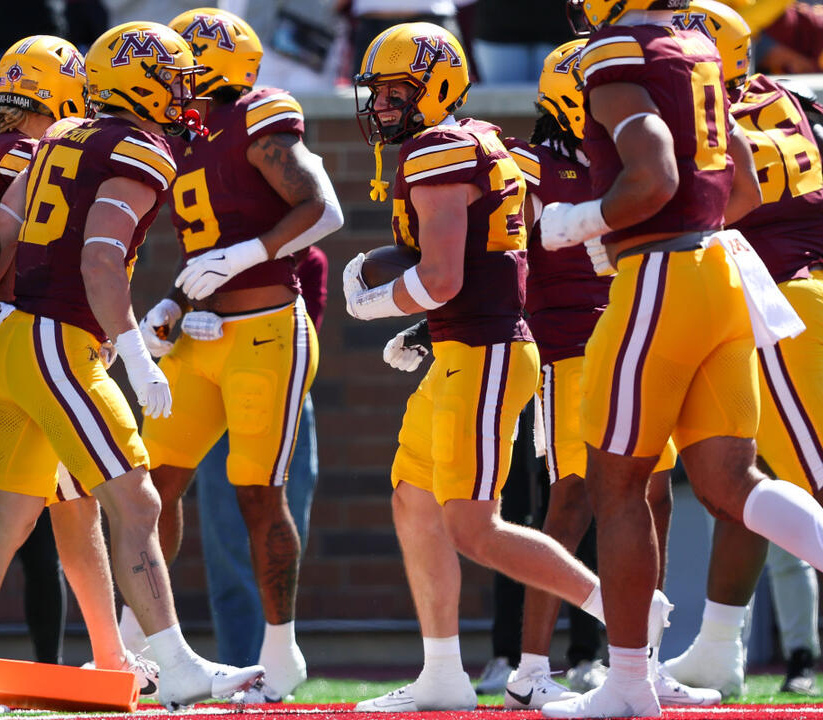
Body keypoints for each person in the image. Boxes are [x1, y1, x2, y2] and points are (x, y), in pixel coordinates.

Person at [0, 21, 263, 715]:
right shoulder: (138, 147)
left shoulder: (58, 138)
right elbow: (102, 258)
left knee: (6, 519)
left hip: (12, 337)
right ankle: (176, 665)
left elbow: (4, 231)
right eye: (172, 80)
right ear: (138, 81)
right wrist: (136, 357)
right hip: (58, 341)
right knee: (135, 500)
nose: (182, 94)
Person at [343, 21, 673, 713]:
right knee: (413, 494)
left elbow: (440, 276)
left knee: (474, 526)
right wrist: (426, 327)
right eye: (377, 95)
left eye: (396, 94)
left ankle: (623, 609)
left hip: (486, 350)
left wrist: (370, 302)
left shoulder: (439, 149)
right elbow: (487, 264)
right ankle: (442, 674)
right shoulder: (474, 139)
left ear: (434, 87)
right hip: (467, 344)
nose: (382, 109)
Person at [536, 0, 823, 716]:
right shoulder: (697, 48)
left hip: (662, 278)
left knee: (616, 481)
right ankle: (641, 677)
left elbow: (655, 176)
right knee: (734, 482)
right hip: (726, 272)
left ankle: (630, 684)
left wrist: (584, 221)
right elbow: (742, 190)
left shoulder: (613, 52)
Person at [0, 34, 159, 688]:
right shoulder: (47, 154)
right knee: (77, 505)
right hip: (11, 348)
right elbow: (21, 248)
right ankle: (113, 656)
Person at [500, 38, 717, 710]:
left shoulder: (612, 158)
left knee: (655, 494)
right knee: (571, 497)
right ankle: (531, 667)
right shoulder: (529, 163)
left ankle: (640, 660)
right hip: (569, 346)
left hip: (633, 334)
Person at [133, 7, 342, 703]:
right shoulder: (182, 136)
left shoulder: (259, 116)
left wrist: (247, 255)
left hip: (266, 334)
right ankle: (146, 649)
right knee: (148, 485)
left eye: (180, 70)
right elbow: (206, 249)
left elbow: (323, 209)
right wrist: (173, 302)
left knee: (259, 495)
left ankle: (280, 654)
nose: (168, 84)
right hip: (203, 338)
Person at [661, 0, 823, 698]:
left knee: (811, 483)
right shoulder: (783, 95)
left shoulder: (714, 112)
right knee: (741, 483)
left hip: (787, 303)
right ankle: (719, 646)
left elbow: (736, 200)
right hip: (778, 300)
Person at [194, 246, 326, 671]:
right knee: (225, 546)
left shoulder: (310, 258)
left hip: (282, 401)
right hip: (219, 403)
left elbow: (302, 334)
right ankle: (238, 669)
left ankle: (274, 664)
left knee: (278, 536)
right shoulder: (210, 242)